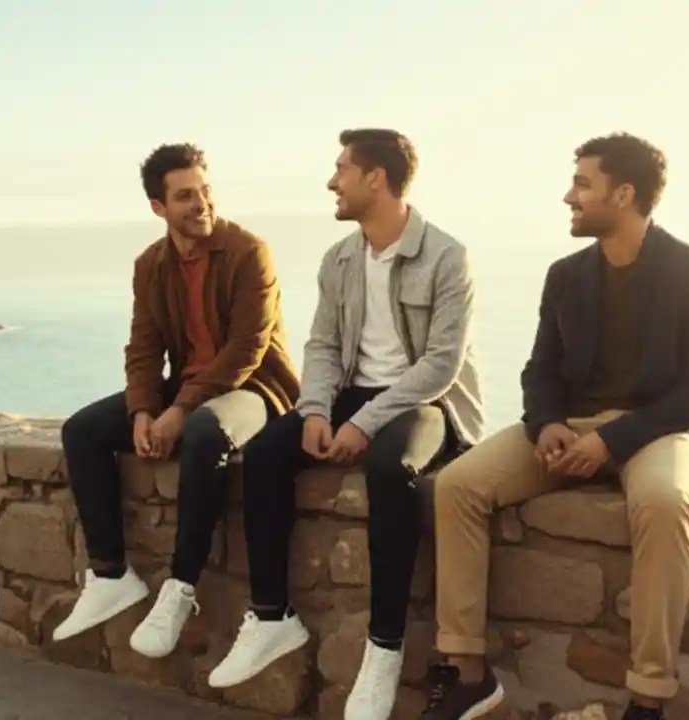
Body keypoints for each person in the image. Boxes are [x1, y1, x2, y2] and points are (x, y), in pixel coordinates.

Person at [420, 133, 689, 720]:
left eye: (582, 184)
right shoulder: (565, 275)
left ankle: (648, 698)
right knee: (457, 485)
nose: (569, 196)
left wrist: (611, 441)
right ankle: (466, 673)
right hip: (568, 425)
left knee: (666, 505)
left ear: (623, 194)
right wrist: (547, 426)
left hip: (658, 431)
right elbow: (540, 368)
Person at [206, 128, 484, 720]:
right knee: (264, 453)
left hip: (425, 403)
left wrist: (365, 421)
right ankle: (272, 615)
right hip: (353, 394)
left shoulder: (446, 256)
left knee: (389, 467)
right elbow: (323, 345)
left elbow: (440, 365)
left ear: (376, 179)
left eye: (342, 170)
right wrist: (312, 410)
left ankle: (383, 651)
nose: (332, 182)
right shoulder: (339, 259)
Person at [53, 143, 300, 660]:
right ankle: (111, 574)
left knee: (205, 432)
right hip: (182, 391)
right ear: (158, 207)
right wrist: (143, 410)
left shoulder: (248, 252)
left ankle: (180, 587)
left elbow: (246, 349)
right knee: (82, 431)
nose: (201, 203)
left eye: (205, 191)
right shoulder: (151, 265)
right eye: (185, 196)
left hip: (253, 390)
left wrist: (179, 412)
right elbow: (143, 346)